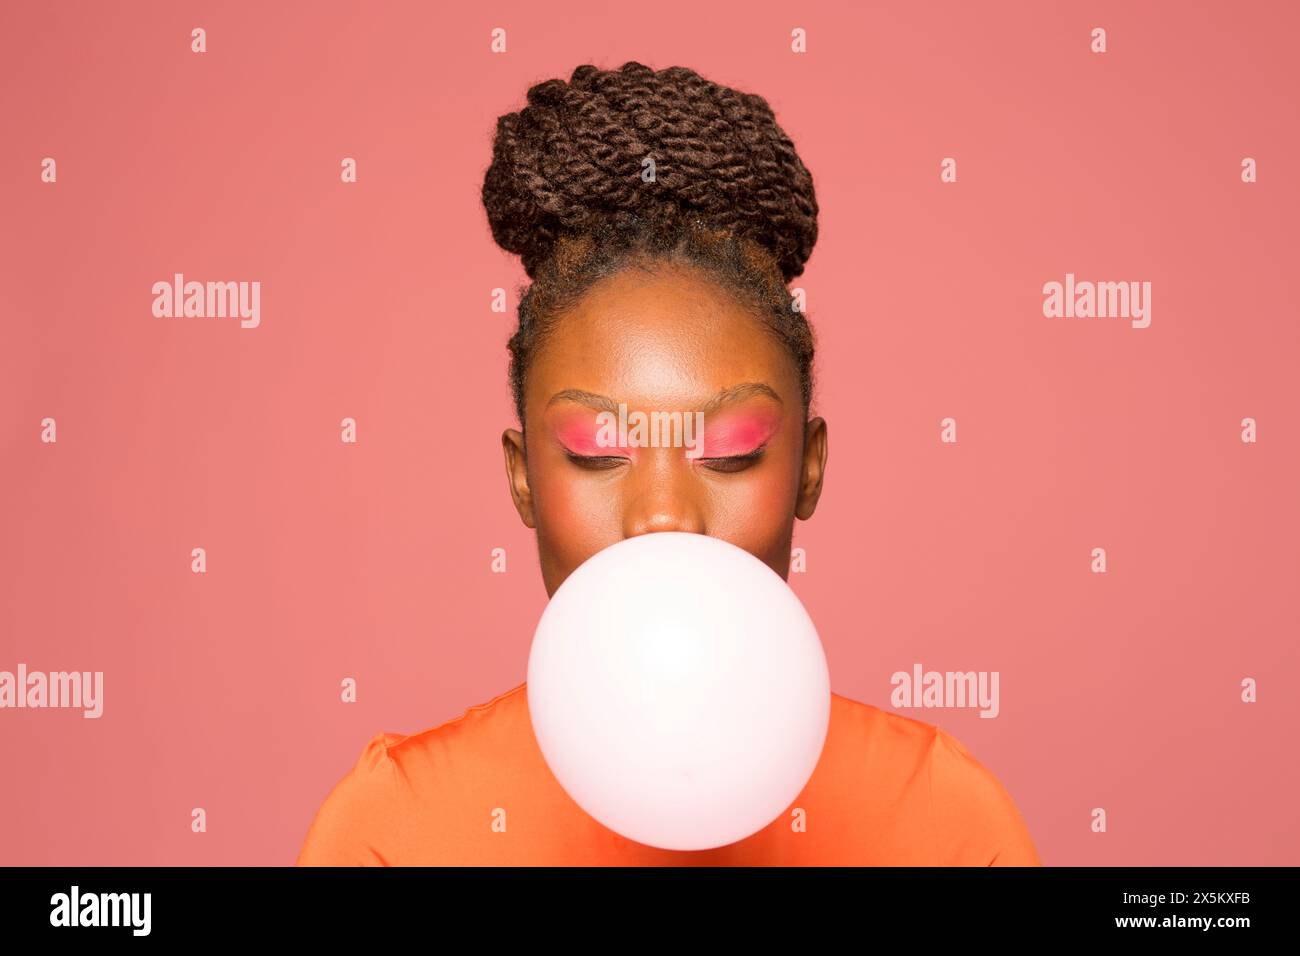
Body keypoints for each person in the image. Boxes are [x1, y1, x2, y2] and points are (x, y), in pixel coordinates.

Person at [296, 61, 1040, 866]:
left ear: (809, 469)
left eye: (730, 452)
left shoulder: (944, 822)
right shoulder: (393, 831)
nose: (663, 516)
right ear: (522, 480)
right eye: (599, 452)